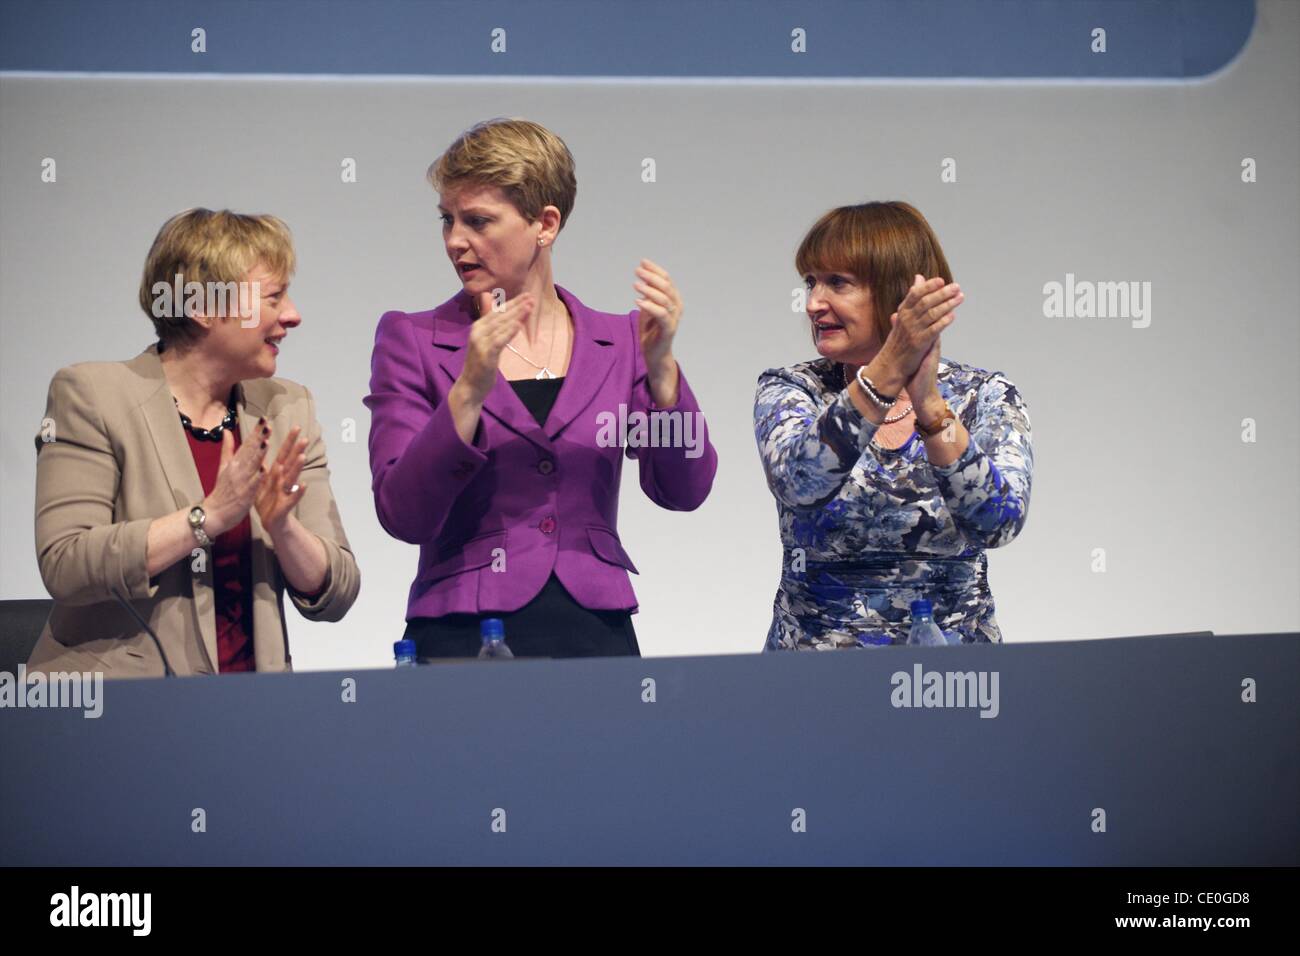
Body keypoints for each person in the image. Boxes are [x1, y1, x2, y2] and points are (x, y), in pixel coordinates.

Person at [365, 118, 717, 659]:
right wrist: (468, 391)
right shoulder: (412, 339)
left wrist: (664, 369)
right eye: (447, 220)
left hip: (593, 630)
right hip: (463, 629)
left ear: (545, 224)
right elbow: (402, 514)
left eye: (478, 221)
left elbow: (683, 491)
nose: (456, 240)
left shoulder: (621, 340)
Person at [29, 209, 360, 677]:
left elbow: (338, 591)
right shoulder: (92, 395)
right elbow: (67, 565)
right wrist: (208, 518)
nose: (293, 315)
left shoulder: (288, 408)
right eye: (274, 297)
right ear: (203, 308)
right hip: (117, 713)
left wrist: (284, 529)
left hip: (255, 708)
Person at [754, 201, 1032, 649]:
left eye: (837, 283)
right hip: (812, 683)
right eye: (810, 282)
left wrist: (927, 403)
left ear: (896, 293)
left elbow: (996, 525)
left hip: (954, 679)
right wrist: (890, 365)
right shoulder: (793, 389)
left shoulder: (983, 395)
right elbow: (800, 482)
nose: (812, 304)